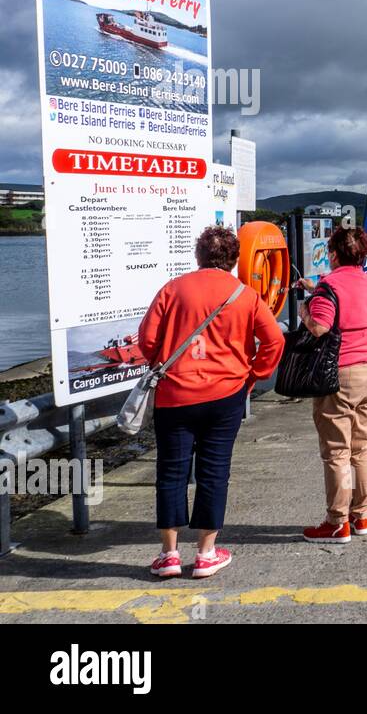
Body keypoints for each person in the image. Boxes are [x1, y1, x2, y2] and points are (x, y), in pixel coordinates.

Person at [137, 225, 285, 579]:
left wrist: (165, 363)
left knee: (171, 471)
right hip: (226, 395)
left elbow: (147, 340)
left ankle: (169, 555)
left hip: (175, 395)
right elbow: (275, 341)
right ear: (234, 260)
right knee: (214, 470)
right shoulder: (244, 294)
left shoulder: (173, 289)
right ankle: (205, 554)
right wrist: (254, 375)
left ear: (198, 256)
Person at [296, 227, 367, 544]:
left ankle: (336, 522)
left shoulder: (330, 286)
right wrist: (315, 287)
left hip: (341, 373)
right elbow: (345, 295)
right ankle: (361, 516)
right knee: (362, 446)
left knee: (337, 451)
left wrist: (305, 308)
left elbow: (320, 326)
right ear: (362, 254)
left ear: (332, 253)